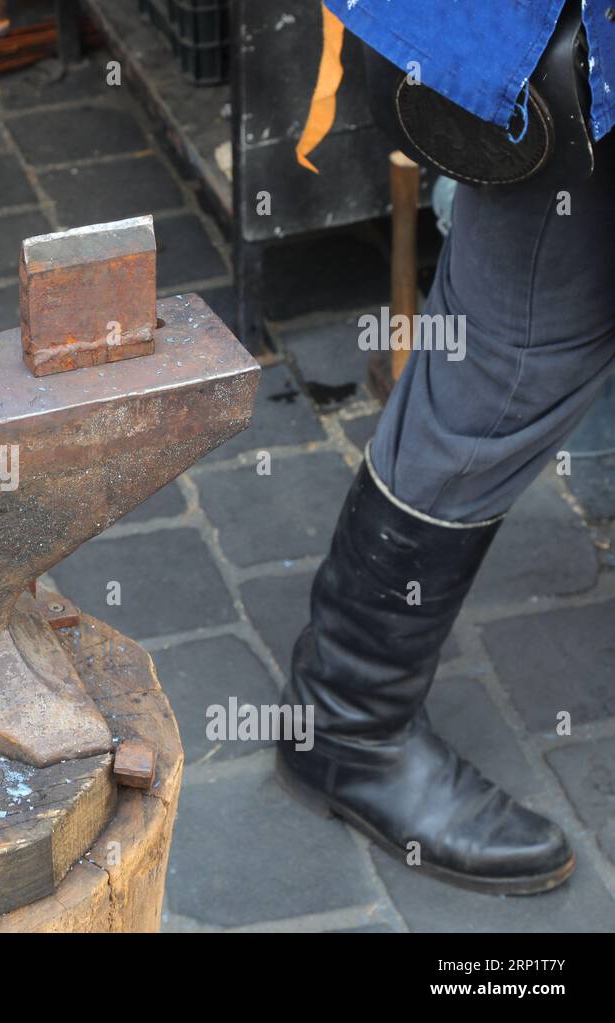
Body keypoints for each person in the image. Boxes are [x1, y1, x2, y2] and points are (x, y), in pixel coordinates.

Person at [279, 0, 615, 893]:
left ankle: (347, 719)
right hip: (557, 49)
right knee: (507, 364)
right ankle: (348, 721)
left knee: (508, 356)